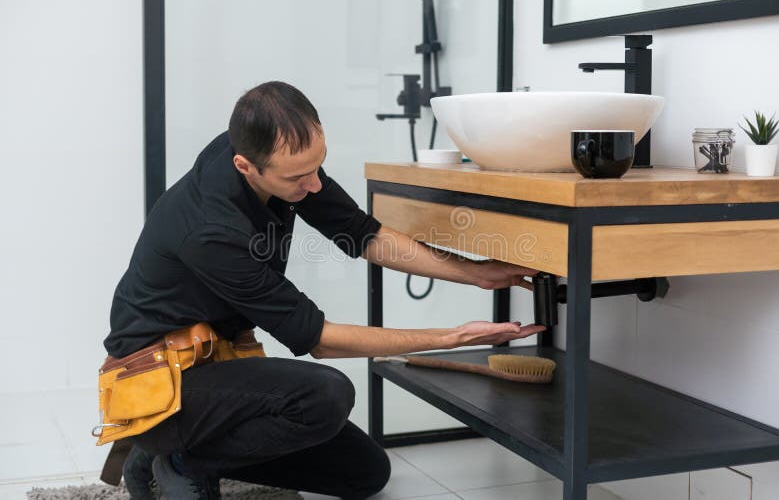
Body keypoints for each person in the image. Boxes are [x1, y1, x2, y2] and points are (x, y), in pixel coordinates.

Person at [103, 81, 543, 499]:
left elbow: (361, 233)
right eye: (299, 177)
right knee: (325, 395)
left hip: (217, 362)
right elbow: (319, 340)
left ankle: (184, 450)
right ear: (245, 166)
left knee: (365, 473)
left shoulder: (267, 154)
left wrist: (476, 273)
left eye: (318, 165)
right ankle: (177, 457)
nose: (314, 185)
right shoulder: (211, 232)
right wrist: (453, 338)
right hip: (164, 383)